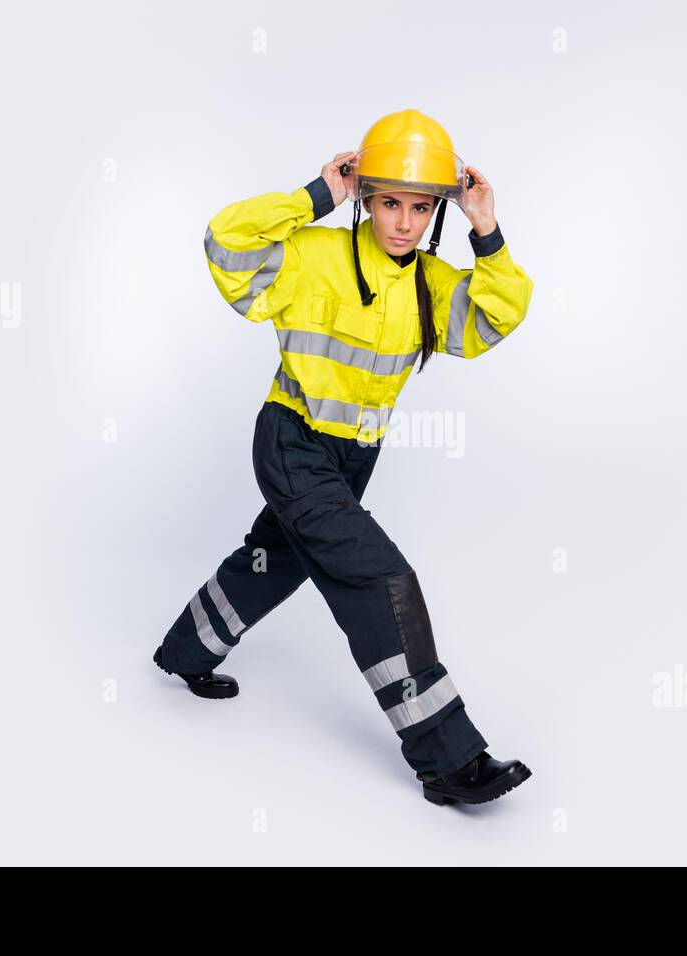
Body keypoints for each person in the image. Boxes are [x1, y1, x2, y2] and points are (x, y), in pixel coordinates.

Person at [153, 109, 535, 806]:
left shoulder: (430, 284)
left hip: (352, 458)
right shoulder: (311, 254)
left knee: (275, 558)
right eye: (390, 202)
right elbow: (225, 244)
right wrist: (313, 196)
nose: (404, 223)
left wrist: (486, 229)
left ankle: (186, 652)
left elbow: (493, 318)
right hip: (292, 441)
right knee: (382, 580)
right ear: (365, 199)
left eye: (421, 208)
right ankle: (448, 761)